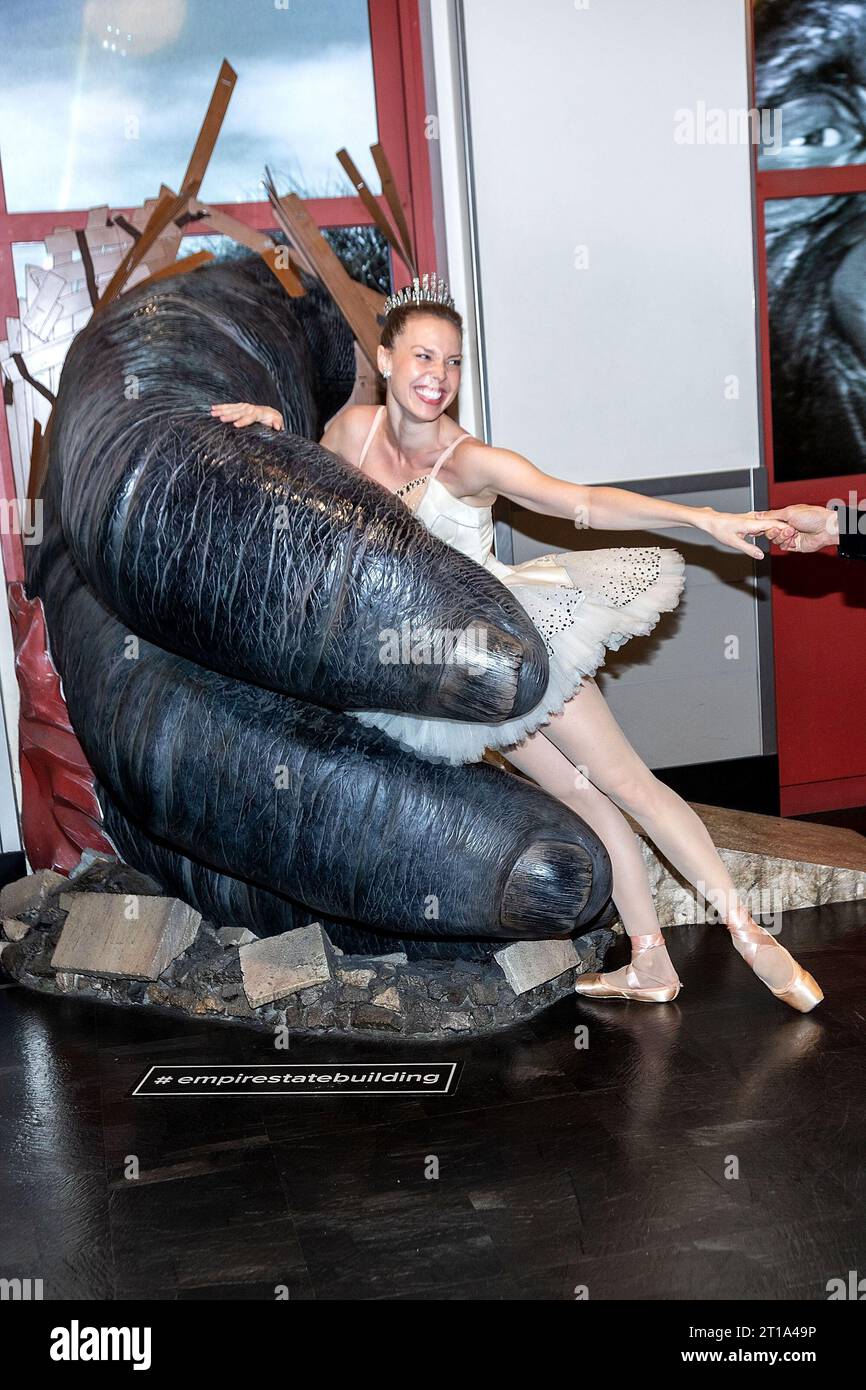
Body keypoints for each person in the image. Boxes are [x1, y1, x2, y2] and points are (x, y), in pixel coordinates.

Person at [211, 273, 823, 1013]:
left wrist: (709, 522)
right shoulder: (349, 435)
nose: (439, 376)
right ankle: (652, 963)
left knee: (626, 783)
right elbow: (316, 496)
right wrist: (274, 425)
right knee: (578, 793)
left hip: (517, 638)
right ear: (385, 359)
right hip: (456, 666)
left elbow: (585, 503)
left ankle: (749, 932)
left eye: (453, 362)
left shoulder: (468, 460)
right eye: (424, 358)